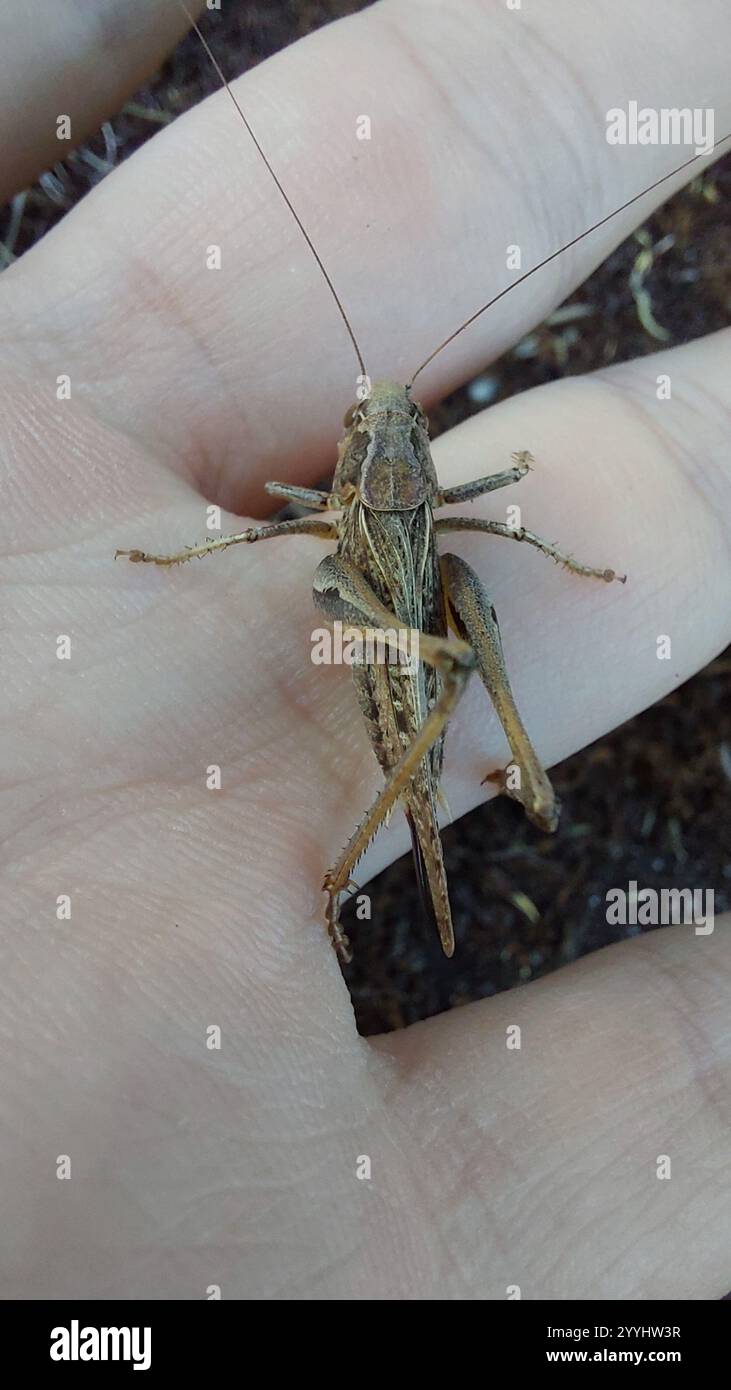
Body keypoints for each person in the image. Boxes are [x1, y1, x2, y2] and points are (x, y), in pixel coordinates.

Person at [1, 0, 729, 1300]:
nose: (383, 430)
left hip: (404, 623)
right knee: (434, 586)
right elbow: (327, 517)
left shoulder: (375, 491)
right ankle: (418, 835)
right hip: (383, 622)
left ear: (377, 450)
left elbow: (356, 512)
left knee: (468, 599)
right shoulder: (367, 489)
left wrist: (549, 558)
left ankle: (416, 827)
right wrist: (199, 553)